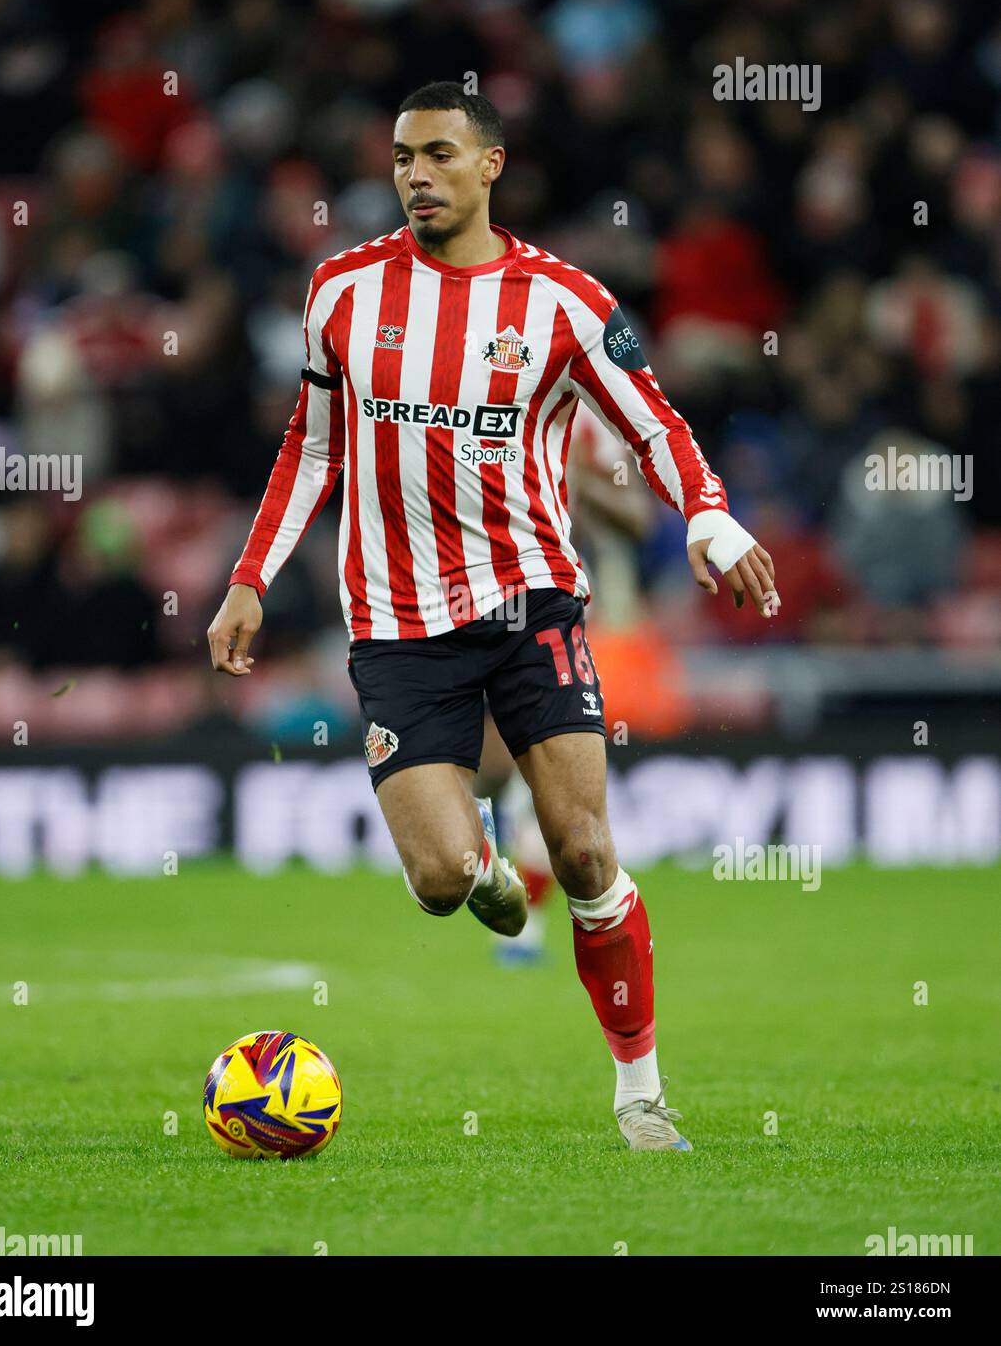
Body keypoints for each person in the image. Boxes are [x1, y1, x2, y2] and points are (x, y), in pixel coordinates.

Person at [207, 82, 780, 1152]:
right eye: (399, 159)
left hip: (532, 606)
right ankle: (479, 873)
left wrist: (708, 519)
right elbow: (312, 444)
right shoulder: (340, 291)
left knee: (578, 849)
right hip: (395, 621)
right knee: (434, 882)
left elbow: (652, 425)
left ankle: (639, 1094)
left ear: (489, 167)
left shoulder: (562, 301)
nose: (413, 175)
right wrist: (250, 573)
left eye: (435, 155)